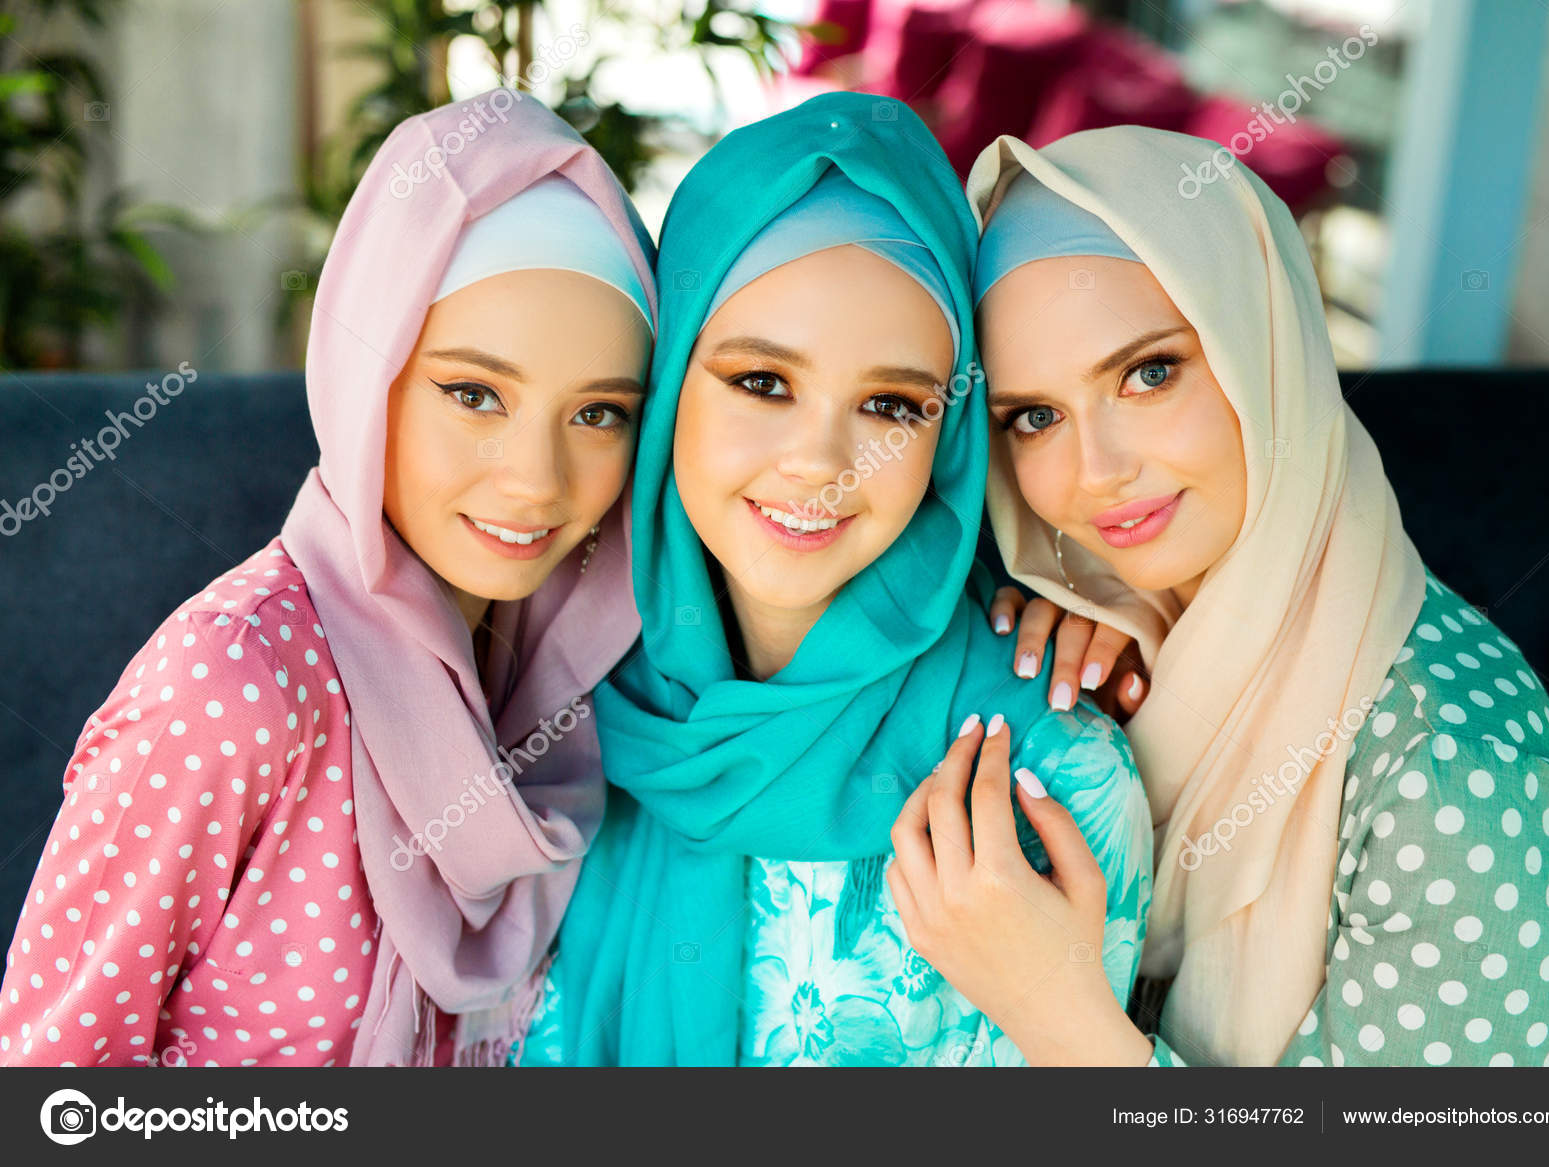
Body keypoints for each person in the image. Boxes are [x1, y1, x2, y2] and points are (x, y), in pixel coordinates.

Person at [893, 126, 1549, 1067]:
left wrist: (1051, 1007)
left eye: (1148, 373)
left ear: (1263, 344)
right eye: (1035, 416)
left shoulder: (1461, 779)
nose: (1096, 472)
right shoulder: (1083, 652)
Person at [0, 90, 656, 1066]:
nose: (536, 480)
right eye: (474, 394)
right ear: (369, 377)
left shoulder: (583, 686)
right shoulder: (231, 691)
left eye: (599, 412)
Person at [513, 93, 1152, 1068]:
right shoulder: (567, 692)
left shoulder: (1043, 770)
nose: (819, 462)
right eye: (761, 382)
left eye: (891, 403)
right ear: (671, 378)